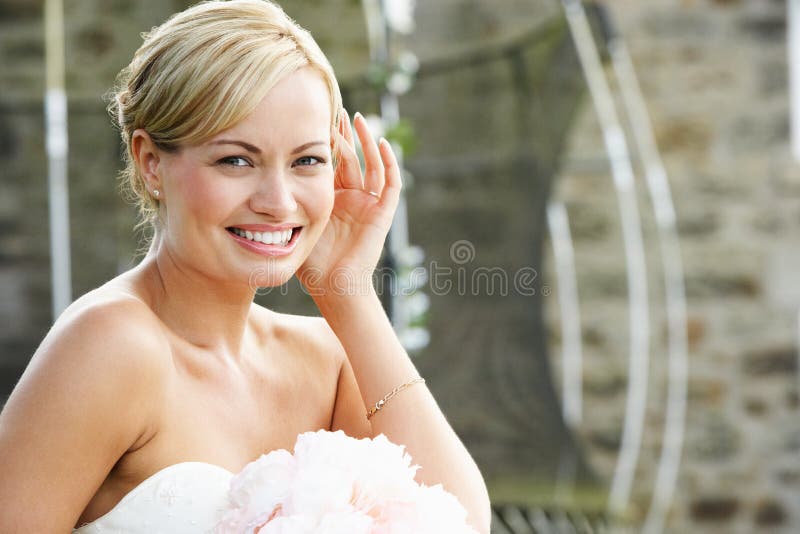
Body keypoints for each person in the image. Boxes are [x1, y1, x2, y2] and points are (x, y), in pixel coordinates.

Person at [0, 0, 491, 532]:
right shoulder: (112, 344)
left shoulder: (327, 359)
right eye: (236, 160)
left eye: (307, 160)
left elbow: (457, 520)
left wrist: (348, 296)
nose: (278, 201)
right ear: (150, 163)